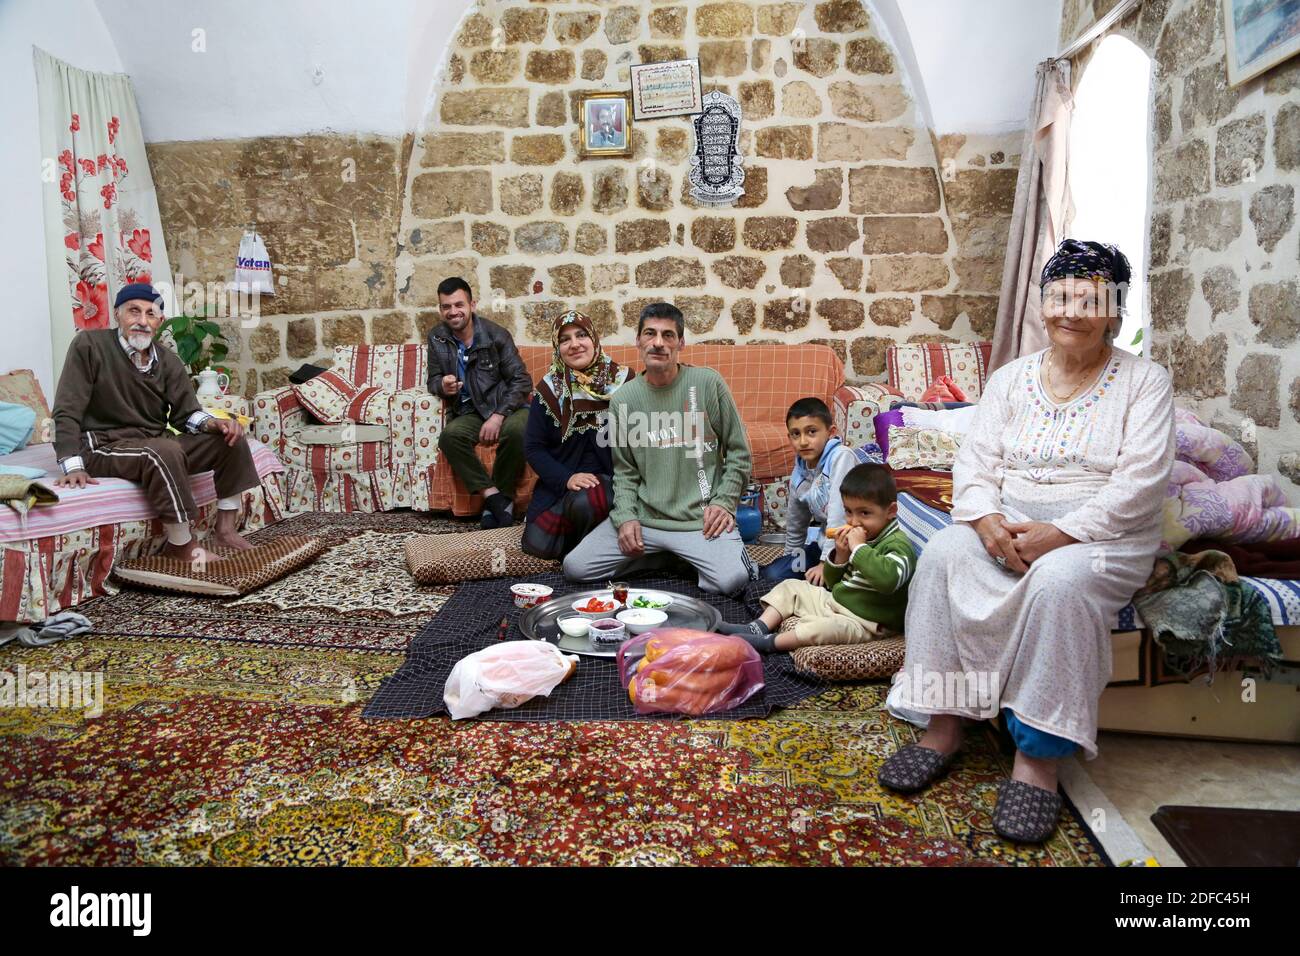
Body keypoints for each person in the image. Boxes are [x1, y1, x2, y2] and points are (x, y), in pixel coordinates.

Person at [877, 239, 1175, 844]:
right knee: (940, 557)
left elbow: (1141, 485)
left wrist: (1060, 533)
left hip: (1102, 537)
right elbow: (976, 464)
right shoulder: (1012, 379)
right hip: (1007, 526)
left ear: (1115, 312)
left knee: (1059, 586)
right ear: (1043, 304)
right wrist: (985, 520)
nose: (1070, 310)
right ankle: (945, 721)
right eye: (1059, 296)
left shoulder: (1145, 383)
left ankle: (1037, 760)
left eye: (1089, 300)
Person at [51, 282, 258, 564]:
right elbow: (66, 408)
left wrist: (215, 425)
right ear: (118, 315)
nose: (142, 321)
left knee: (230, 438)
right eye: (133, 311)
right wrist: (71, 463)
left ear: (159, 322)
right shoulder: (90, 345)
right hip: (104, 445)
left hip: (154, 442)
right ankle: (181, 545)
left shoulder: (168, 361)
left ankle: (225, 528)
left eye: (150, 314)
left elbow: (187, 415)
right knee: (164, 450)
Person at [562, 302, 755, 595]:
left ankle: (682, 555)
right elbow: (625, 472)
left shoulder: (707, 384)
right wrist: (626, 517)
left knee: (733, 580)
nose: (658, 343)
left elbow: (739, 453)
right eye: (650, 334)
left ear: (681, 343)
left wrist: (724, 502)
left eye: (668, 335)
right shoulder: (624, 400)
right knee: (576, 567)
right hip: (646, 521)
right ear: (638, 340)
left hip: (698, 522)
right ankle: (670, 557)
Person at [720, 463, 915, 651]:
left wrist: (859, 548)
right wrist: (840, 556)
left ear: (890, 511)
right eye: (848, 511)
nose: (854, 521)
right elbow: (831, 582)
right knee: (791, 586)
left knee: (823, 629)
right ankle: (757, 627)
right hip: (837, 601)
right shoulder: (863, 538)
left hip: (866, 622)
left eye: (865, 513)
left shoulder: (898, 546)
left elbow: (888, 580)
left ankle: (770, 643)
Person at [521, 310, 632, 560]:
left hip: (620, 483)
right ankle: (599, 550)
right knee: (537, 542)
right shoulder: (549, 389)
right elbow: (533, 447)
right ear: (557, 347)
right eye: (564, 339)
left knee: (587, 502)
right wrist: (566, 478)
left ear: (594, 339)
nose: (574, 344)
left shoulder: (625, 382)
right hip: (564, 486)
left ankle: (587, 557)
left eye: (581, 335)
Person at [426, 277, 533, 528]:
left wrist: (498, 416)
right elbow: (432, 379)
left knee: (518, 430)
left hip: (506, 407)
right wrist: (443, 385)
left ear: (472, 304)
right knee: (450, 437)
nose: (453, 312)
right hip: (468, 411)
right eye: (446, 306)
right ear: (441, 309)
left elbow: (522, 381)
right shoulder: (437, 337)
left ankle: (502, 497)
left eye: (458, 304)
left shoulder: (496, 335)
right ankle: (494, 498)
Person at [760, 397, 868, 583]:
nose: (803, 441)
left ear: (830, 432)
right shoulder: (799, 472)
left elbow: (838, 515)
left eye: (811, 432)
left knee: (826, 584)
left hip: (853, 544)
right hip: (823, 543)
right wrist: (790, 561)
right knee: (773, 575)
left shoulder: (841, 458)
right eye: (796, 434)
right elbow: (796, 524)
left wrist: (825, 563)